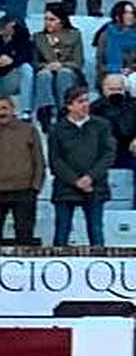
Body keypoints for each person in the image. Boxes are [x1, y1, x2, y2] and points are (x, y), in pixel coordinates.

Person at [49, 81, 111, 245]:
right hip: (65, 187)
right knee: (62, 230)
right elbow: (55, 160)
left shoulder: (101, 125)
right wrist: (76, 181)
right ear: (69, 106)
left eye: (86, 101)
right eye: (80, 101)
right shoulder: (57, 129)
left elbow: (108, 154)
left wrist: (90, 177)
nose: (85, 105)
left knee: (96, 230)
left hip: (95, 185)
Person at [0, 92, 42, 241]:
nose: (1, 113)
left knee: (25, 236)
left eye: (4, 108)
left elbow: (39, 161)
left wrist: (35, 188)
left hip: (24, 191)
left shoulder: (29, 130)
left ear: (13, 108)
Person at [32, 5, 85, 127]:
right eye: (46, 19)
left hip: (69, 71)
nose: (47, 23)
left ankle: (64, 110)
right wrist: (47, 66)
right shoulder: (38, 38)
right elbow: (34, 62)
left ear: (61, 21)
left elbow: (78, 62)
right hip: (46, 70)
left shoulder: (75, 35)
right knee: (44, 75)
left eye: (52, 19)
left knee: (64, 73)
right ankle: (46, 111)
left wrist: (61, 65)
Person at [93, 71, 136, 170]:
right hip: (104, 153)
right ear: (103, 89)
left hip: (131, 151)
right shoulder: (94, 109)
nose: (116, 92)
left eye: (119, 89)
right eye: (111, 89)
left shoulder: (133, 105)